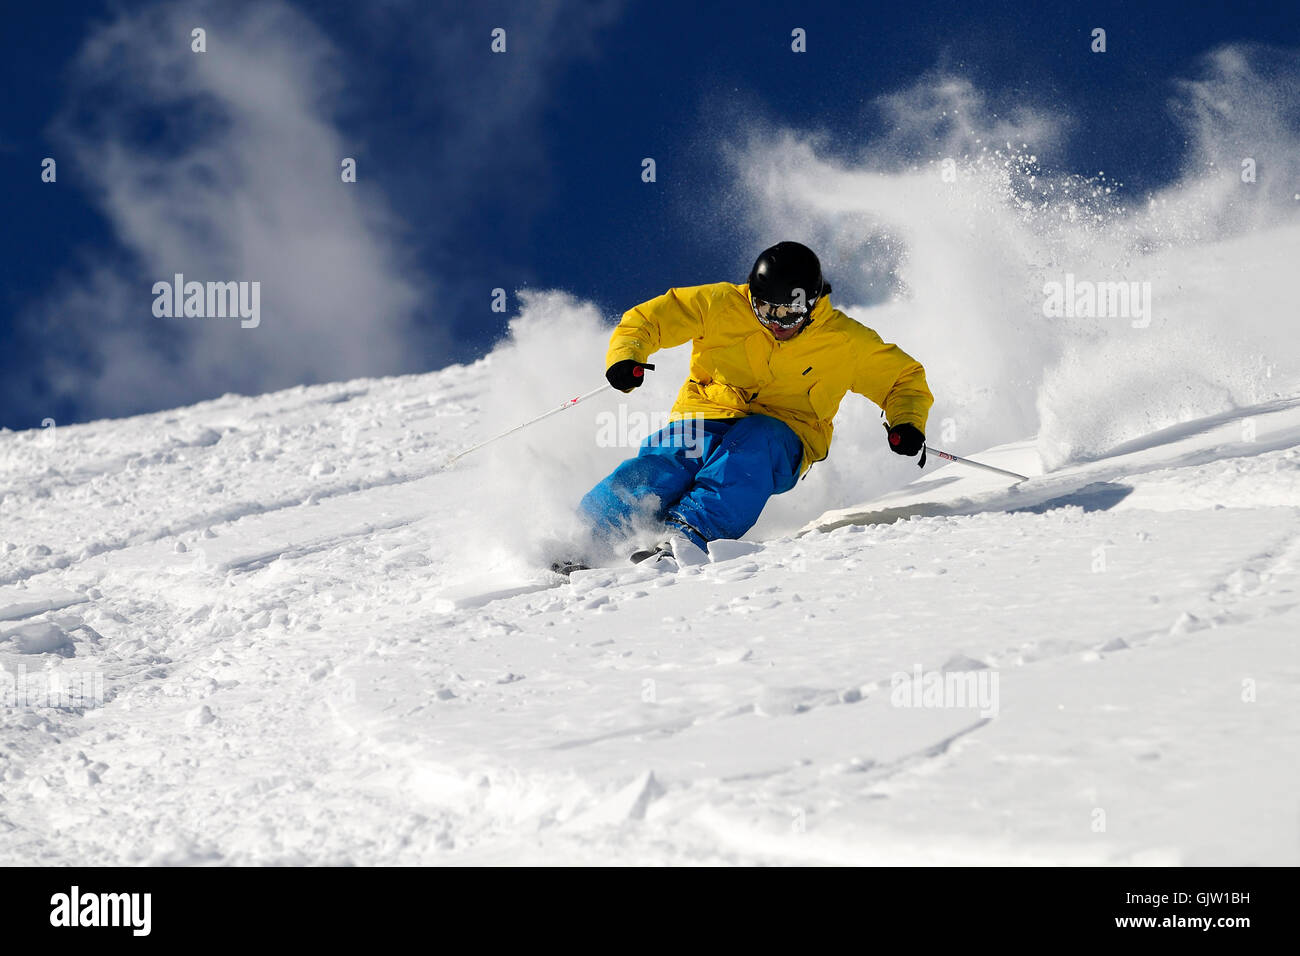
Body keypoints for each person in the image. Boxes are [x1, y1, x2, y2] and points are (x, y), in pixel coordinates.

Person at [568, 241, 933, 569]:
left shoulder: (845, 341)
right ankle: (583, 538)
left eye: (788, 312)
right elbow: (650, 319)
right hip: (708, 410)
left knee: (754, 444)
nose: (776, 323)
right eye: (765, 310)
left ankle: (686, 533)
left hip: (786, 432)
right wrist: (626, 356)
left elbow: (903, 378)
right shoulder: (722, 304)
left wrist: (907, 422)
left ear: (812, 302)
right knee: (672, 459)